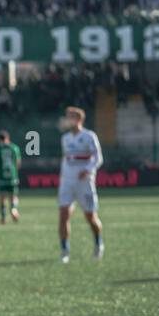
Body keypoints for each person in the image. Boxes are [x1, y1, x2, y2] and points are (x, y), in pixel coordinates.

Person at [58, 107, 105, 262]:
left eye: (70, 117)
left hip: (85, 183)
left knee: (90, 217)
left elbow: (97, 158)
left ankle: (98, 242)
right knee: (63, 214)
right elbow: (68, 159)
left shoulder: (89, 136)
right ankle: (65, 251)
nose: (67, 120)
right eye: (67, 117)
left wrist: (87, 170)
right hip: (67, 183)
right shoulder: (65, 138)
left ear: (79, 120)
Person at [0, 129, 21, 224]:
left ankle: (3, 217)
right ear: (8, 138)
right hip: (13, 177)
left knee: (2, 198)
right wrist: (15, 174)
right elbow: (18, 163)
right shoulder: (14, 148)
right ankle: (14, 210)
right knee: (13, 196)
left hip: (2, 178)